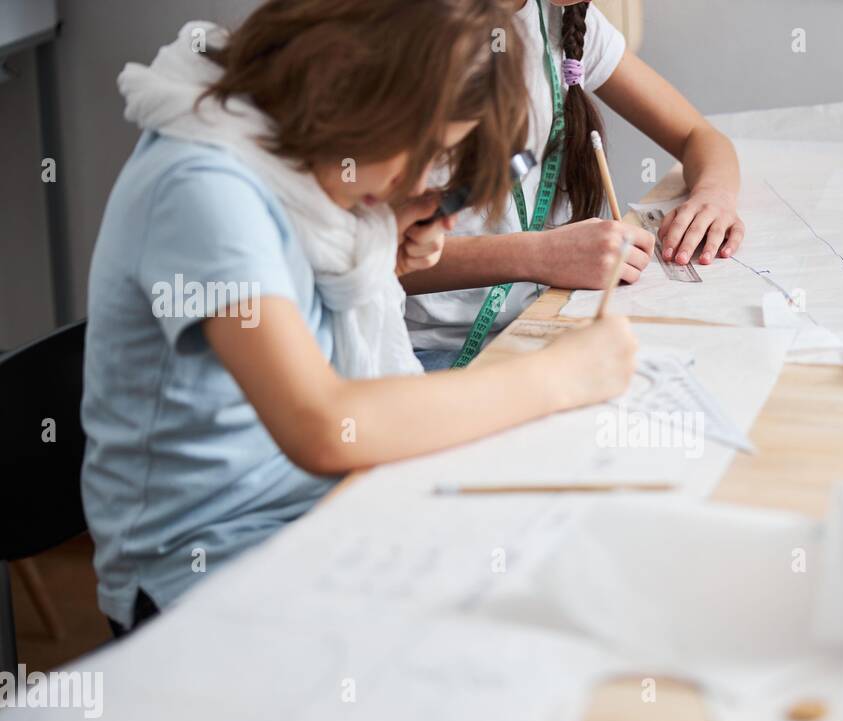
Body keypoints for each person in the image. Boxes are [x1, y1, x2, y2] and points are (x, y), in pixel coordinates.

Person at [81, 0, 638, 633]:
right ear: (353, 89)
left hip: (326, 509)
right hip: (209, 567)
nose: (422, 183)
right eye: (425, 150)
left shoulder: (294, 158)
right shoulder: (203, 187)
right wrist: (559, 378)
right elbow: (323, 424)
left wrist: (385, 255)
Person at [402, 0, 746, 370]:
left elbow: (700, 136)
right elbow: (372, 258)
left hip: (546, 321)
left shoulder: (560, 17)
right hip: (431, 350)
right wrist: (538, 256)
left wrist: (714, 195)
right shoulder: (408, 35)